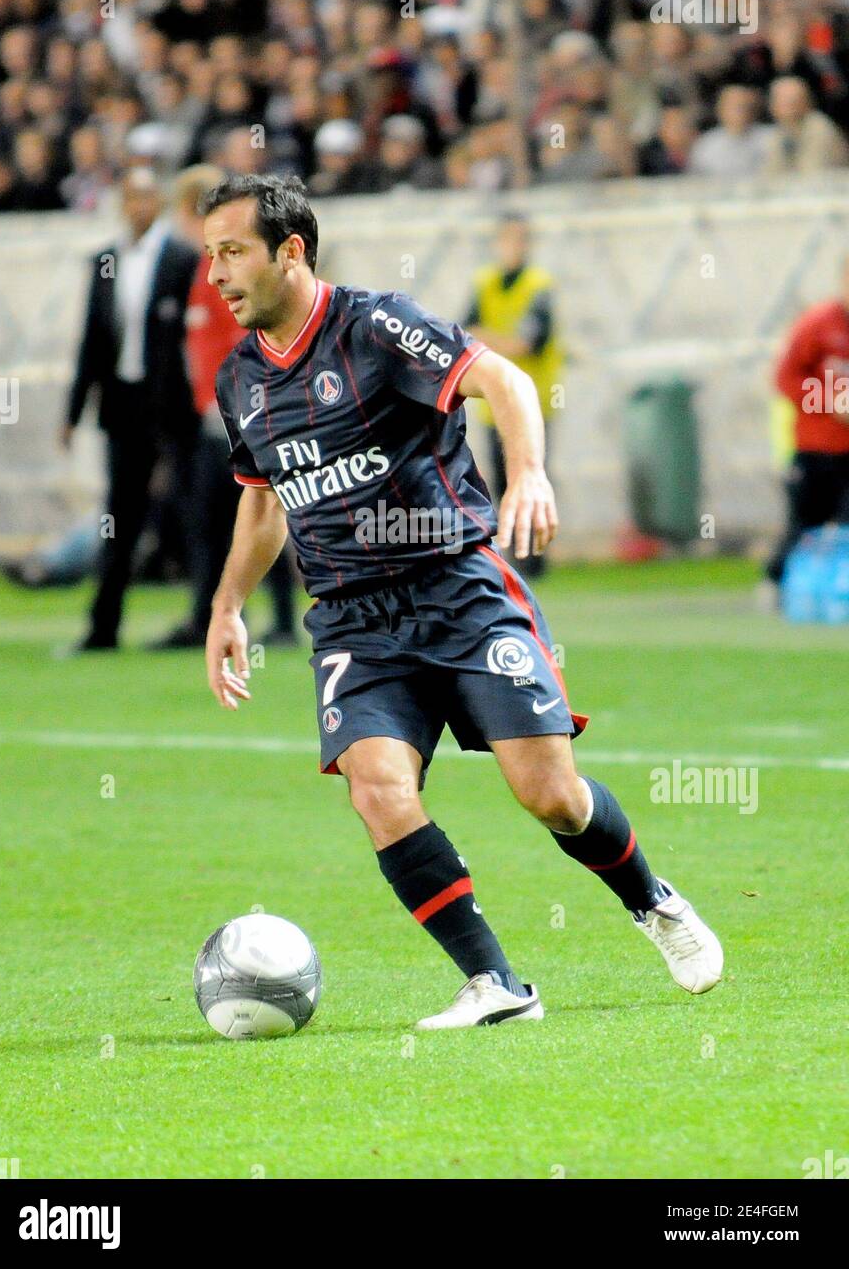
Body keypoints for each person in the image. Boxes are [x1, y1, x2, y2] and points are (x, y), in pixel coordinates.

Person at [201, 172, 723, 1030]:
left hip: (457, 589)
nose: (215, 275)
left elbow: (505, 381)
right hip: (351, 618)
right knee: (377, 789)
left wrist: (529, 474)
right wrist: (227, 606)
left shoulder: (377, 326)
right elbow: (262, 497)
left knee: (550, 794)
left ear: (290, 251)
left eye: (232, 252)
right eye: (209, 255)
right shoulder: (240, 380)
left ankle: (652, 900)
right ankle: (497, 985)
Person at [150, 163, 298, 649]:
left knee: (258, 509)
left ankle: (277, 618)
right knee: (211, 521)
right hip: (211, 416)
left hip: (235, 417)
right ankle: (221, 615)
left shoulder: (232, 279)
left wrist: (238, 403)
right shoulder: (202, 271)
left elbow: (247, 341)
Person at [63, 166, 198, 650]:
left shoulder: (184, 258)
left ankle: (207, 619)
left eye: (146, 197)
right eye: (130, 198)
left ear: (158, 202)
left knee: (192, 512)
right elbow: (92, 341)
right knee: (119, 517)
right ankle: (103, 627)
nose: (138, 206)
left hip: (175, 406)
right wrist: (73, 410)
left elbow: (197, 337)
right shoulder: (105, 260)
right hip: (122, 403)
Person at [463, 212, 563, 576]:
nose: (513, 247)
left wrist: (492, 341)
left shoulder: (538, 285)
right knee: (501, 480)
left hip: (534, 402)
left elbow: (529, 343)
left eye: (520, 240)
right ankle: (512, 551)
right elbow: (463, 333)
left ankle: (534, 557)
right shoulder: (485, 282)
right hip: (494, 405)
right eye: (508, 239)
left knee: (532, 475)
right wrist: (502, 343)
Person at [764, 255, 849, 593]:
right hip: (816, 447)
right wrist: (831, 404)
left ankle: (835, 590)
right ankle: (776, 583)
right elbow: (785, 377)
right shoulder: (818, 323)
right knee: (805, 525)